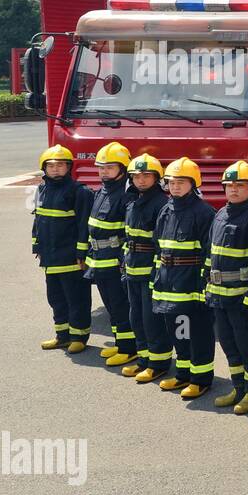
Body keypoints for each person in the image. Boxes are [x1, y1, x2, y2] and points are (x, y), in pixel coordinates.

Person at [207, 161, 248, 414]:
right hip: (219, 294)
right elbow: (210, 254)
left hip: (240, 295)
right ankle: (238, 387)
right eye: (229, 185)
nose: (233, 190)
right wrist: (208, 286)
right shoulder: (220, 214)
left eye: (239, 185)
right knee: (229, 344)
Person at [153, 158, 218, 399]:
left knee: (198, 332)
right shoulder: (166, 209)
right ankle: (183, 373)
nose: (176, 187)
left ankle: (201, 379)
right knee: (179, 329)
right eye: (171, 182)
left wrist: (204, 285)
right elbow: (158, 246)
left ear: (193, 183)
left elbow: (208, 252)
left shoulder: (203, 212)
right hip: (169, 282)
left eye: (182, 182)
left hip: (191, 284)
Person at [33, 144, 93, 354]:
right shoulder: (42, 190)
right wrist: (36, 246)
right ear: (44, 168)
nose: (56, 169)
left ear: (69, 167)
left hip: (71, 257)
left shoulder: (79, 192)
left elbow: (84, 225)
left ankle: (79, 336)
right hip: (49, 256)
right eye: (51, 166)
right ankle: (62, 335)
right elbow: (38, 219)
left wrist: (81, 254)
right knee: (56, 298)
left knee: (76, 298)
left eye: (60, 165)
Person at [85, 142, 137, 368]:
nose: (104, 171)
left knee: (121, 305)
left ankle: (129, 349)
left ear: (123, 169)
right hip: (99, 259)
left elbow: (128, 232)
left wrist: (122, 261)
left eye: (109, 167)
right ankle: (120, 342)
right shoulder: (102, 191)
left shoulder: (126, 196)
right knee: (111, 306)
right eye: (101, 167)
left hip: (115, 261)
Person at [121, 154, 173, 381]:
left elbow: (161, 244)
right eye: (136, 176)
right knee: (137, 318)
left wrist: (156, 273)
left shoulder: (161, 204)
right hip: (132, 269)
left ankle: (158, 362)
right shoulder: (132, 201)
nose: (141, 180)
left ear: (157, 178)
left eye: (146, 176)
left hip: (149, 272)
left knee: (152, 320)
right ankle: (143, 359)